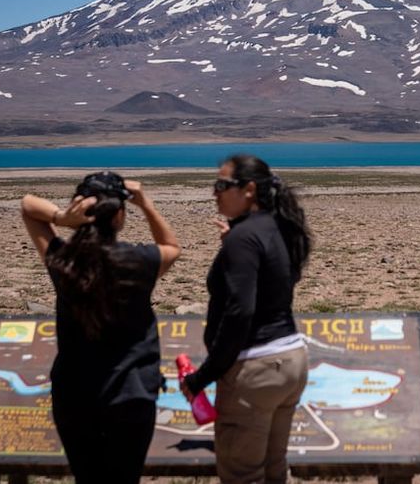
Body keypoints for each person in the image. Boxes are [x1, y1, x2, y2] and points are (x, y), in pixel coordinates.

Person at [20, 172, 180, 484]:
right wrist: (145, 203)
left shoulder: (63, 262)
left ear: (79, 209)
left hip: (75, 395)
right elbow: (171, 246)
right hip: (131, 393)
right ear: (119, 215)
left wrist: (62, 218)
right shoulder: (139, 261)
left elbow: (27, 206)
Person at [181, 154, 311, 484]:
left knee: (242, 474)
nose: (215, 193)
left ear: (249, 189)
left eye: (223, 185)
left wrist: (203, 376)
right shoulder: (277, 228)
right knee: (273, 468)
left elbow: (241, 313)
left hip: (255, 370)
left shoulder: (245, 239)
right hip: (290, 360)